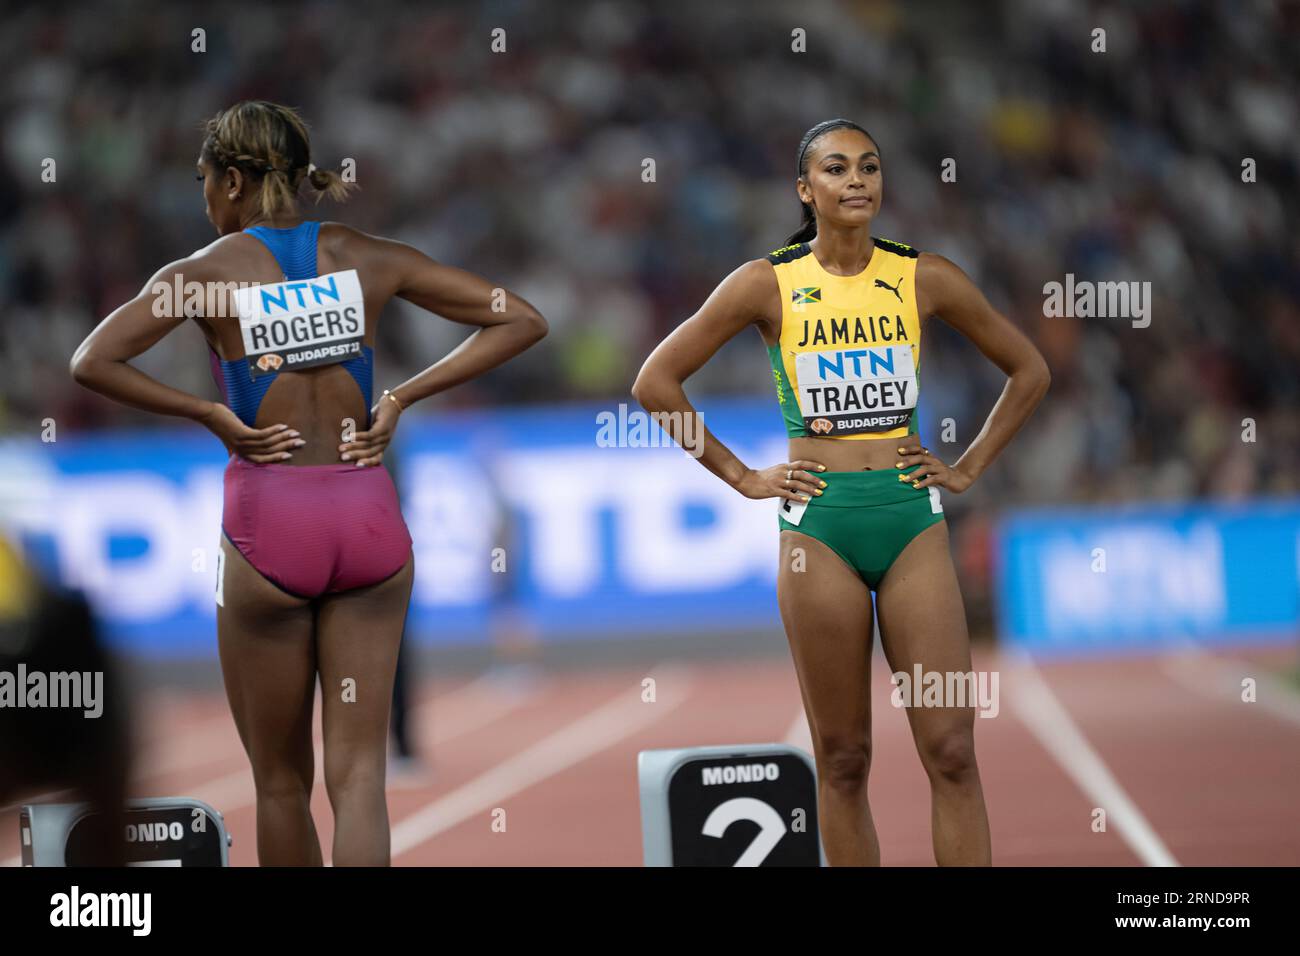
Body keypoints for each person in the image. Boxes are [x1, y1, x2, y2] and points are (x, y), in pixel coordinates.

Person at [70, 101, 547, 865]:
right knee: (359, 777)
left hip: (270, 523)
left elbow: (90, 360)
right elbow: (519, 318)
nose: (203, 197)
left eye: (203, 180)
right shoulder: (368, 255)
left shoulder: (201, 275)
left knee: (280, 784)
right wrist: (400, 397)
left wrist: (210, 415)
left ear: (232, 180)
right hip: (366, 516)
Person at [632, 119, 1050, 865]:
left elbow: (1030, 370)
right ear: (806, 189)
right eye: (835, 169)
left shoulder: (925, 276)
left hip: (911, 524)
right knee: (844, 759)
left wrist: (970, 466)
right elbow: (655, 382)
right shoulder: (766, 283)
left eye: (869, 167)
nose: (856, 180)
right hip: (818, 531)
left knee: (952, 749)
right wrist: (741, 476)